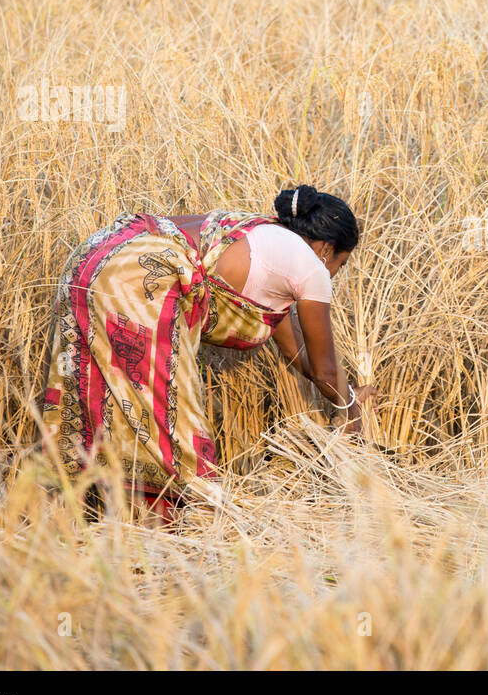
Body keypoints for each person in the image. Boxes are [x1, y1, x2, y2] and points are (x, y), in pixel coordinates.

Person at [36, 184, 377, 521]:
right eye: (341, 264)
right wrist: (352, 413)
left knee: (102, 403)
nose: (333, 274)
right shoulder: (311, 267)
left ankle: (66, 517)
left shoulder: (265, 237)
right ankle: (180, 534)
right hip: (141, 277)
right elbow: (324, 370)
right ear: (327, 249)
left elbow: (296, 352)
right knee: (169, 421)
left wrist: (345, 392)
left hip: (95, 259)